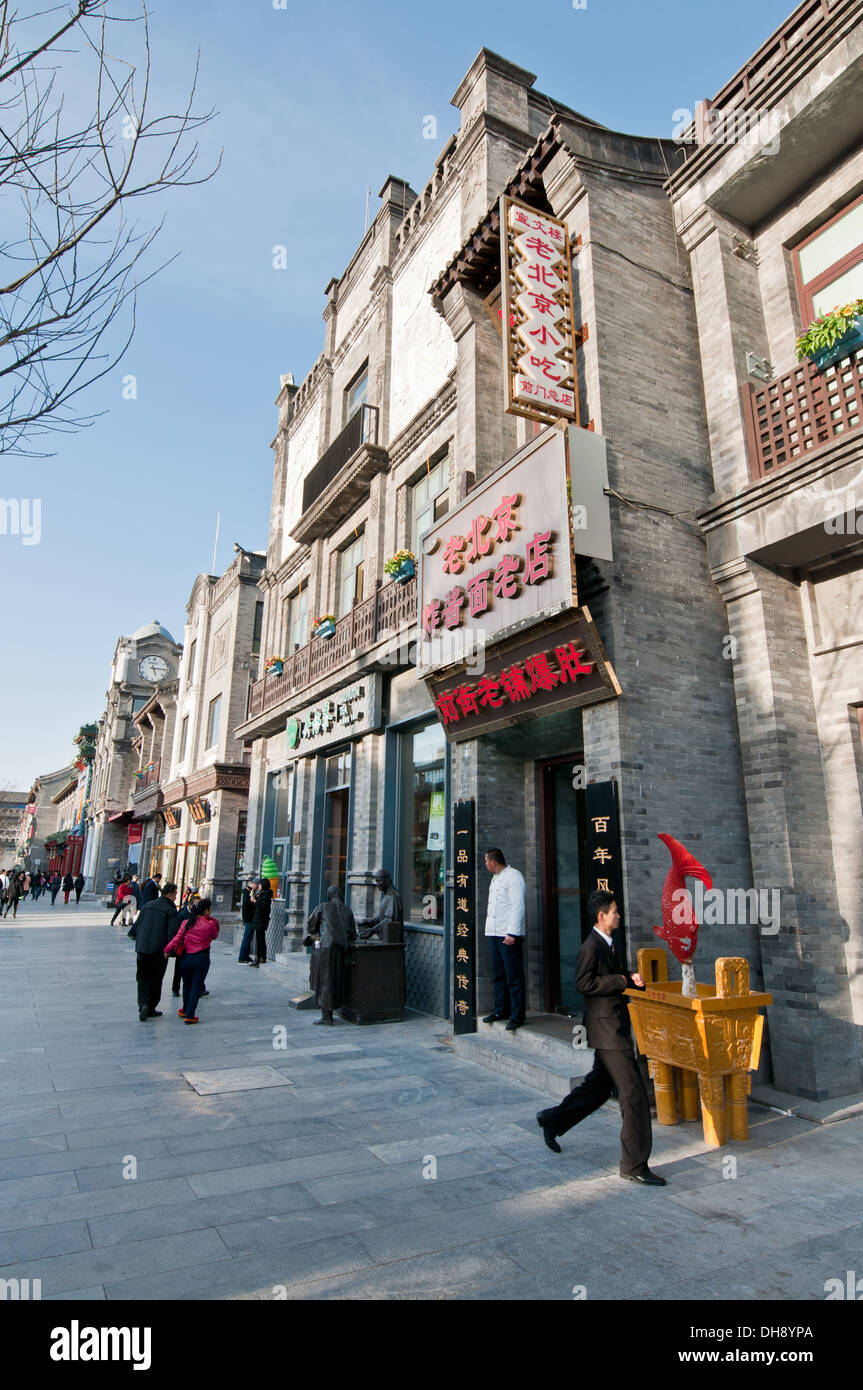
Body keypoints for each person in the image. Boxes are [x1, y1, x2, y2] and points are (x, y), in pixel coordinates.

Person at [535, 890, 665, 1186]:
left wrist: (630, 976)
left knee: (597, 1087)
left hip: (611, 1025)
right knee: (633, 1092)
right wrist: (619, 981)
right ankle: (634, 1165)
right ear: (601, 916)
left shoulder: (607, 942)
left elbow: (612, 975)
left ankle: (552, 1120)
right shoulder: (590, 946)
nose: (619, 915)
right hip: (607, 1031)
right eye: (615, 911)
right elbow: (583, 983)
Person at [482, 847, 527, 1032]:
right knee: (499, 975)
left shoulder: (514, 877)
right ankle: (501, 1010)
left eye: (486, 861)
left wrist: (512, 933)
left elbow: (518, 906)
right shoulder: (496, 878)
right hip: (494, 933)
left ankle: (517, 1015)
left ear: (494, 861)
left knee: (513, 976)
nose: (485, 864)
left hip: (508, 936)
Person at [304, 885, 357, 1025]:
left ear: (329, 896)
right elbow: (353, 933)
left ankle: (327, 1016)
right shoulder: (348, 910)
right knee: (334, 979)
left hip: (326, 948)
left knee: (325, 980)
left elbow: (310, 925)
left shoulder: (323, 906)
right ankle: (330, 1011)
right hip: (341, 949)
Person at [165, 897, 219, 1025]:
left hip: (185, 958)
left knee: (187, 984)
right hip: (201, 958)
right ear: (206, 910)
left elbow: (177, 938)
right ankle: (190, 1015)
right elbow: (215, 935)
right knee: (196, 986)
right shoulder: (210, 924)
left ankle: (184, 1009)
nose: (211, 911)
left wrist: (167, 949)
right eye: (210, 909)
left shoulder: (187, 922)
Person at [133, 882, 179, 1021]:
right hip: (159, 950)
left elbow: (137, 927)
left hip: (142, 949)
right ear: (170, 894)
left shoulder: (148, 906)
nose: (176, 898)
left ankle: (143, 1004)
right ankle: (151, 1007)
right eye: (175, 894)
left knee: (142, 978)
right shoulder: (170, 909)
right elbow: (172, 932)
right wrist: (170, 949)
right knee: (156, 979)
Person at [357, 868, 404, 943]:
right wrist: (370, 922)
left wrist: (372, 930)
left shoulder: (393, 897)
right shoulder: (387, 896)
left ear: (388, 880)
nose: (378, 884)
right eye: (376, 881)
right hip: (386, 940)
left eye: (380, 880)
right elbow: (382, 917)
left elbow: (389, 920)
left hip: (392, 943)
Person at [249, 877, 272, 966]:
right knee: (260, 939)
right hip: (259, 919)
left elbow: (262, 906)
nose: (258, 886)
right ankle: (261, 957)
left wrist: (255, 900)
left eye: (260, 884)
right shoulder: (263, 894)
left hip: (261, 920)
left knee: (260, 940)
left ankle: (260, 958)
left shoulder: (265, 895)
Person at [238, 878, 257, 964]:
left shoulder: (249, 891)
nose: (256, 887)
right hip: (248, 918)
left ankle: (245, 956)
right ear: (252, 883)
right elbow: (248, 904)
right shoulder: (247, 892)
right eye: (256, 885)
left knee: (249, 938)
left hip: (249, 918)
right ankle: (242, 957)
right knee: (247, 937)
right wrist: (254, 901)